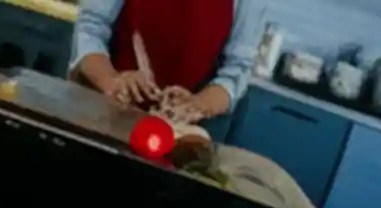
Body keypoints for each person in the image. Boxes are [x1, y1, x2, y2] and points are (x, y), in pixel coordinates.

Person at [69, 0, 260, 124]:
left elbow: (238, 68)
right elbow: (91, 27)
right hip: (104, 113)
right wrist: (111, 80)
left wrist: (198, 104)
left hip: (175, 134)